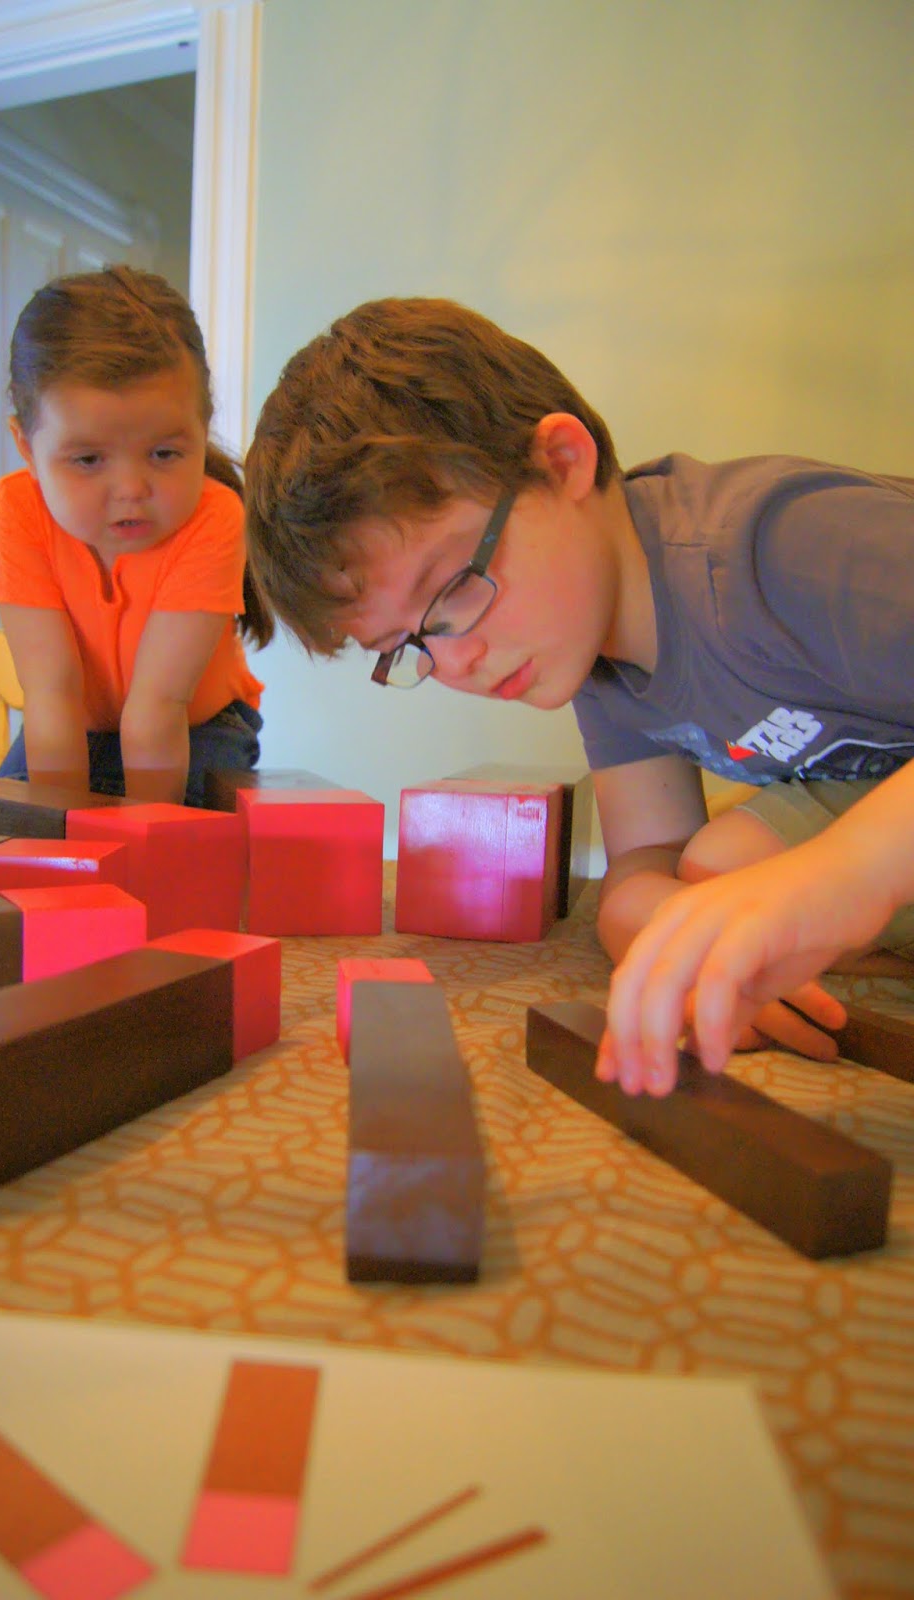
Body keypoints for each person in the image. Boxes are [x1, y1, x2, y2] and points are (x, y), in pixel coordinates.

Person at [243, 296, 914, 1094]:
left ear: (562, 462)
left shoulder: (779, 546)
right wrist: (677, 937)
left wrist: (844, 880)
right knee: (719, 870)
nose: (456, 664)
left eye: (453, 592)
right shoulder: (594, 656)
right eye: (407, 648)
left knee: (787, 872)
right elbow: (645, 861)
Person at [0, 265, 271, 808]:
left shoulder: (214, 516)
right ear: (26, 446)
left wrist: (147, 849)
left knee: (184, 859)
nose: (131, 489)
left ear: (202, 425)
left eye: (165, 453)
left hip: (196, 726)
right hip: (70, 729)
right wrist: (61, 849)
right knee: (1, 834)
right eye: (89, 459)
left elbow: (157, 707)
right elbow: (51, 695)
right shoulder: (17, 509)